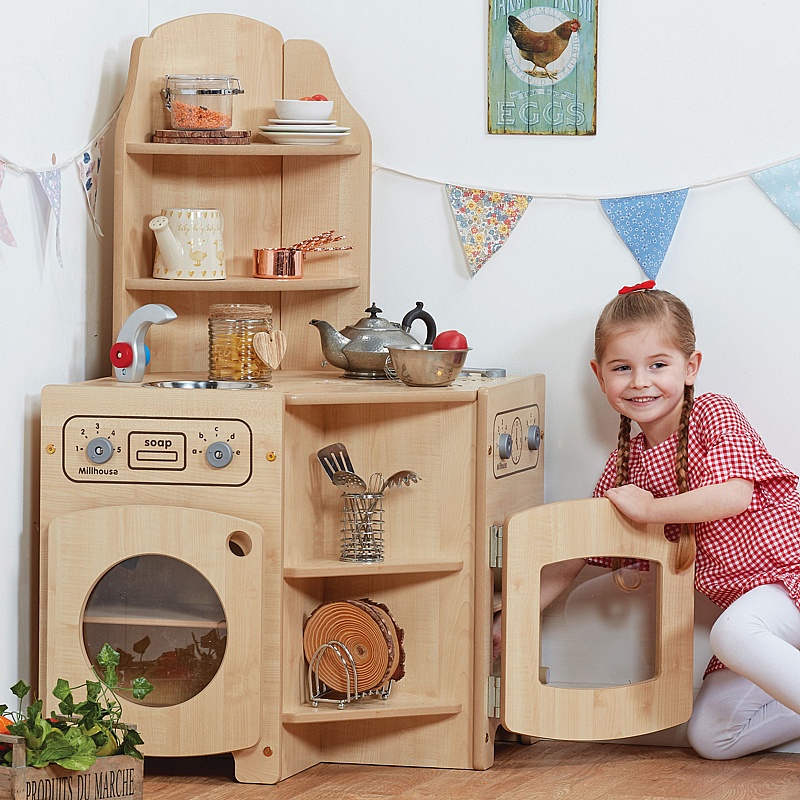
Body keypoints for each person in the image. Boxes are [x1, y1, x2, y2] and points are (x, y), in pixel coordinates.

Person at [590, 282, 800, 759]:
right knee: (712, 737)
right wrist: (514, 615)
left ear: (691, 367)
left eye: (657, 365)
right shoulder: (624, 463)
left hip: (792, 578)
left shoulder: (712, 413)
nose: (640, 381)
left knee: (733, 633)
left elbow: (732, 495)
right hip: (767, 611)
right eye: (622, 368)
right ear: (600, 376)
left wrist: (650, 510)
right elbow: (579, 547)